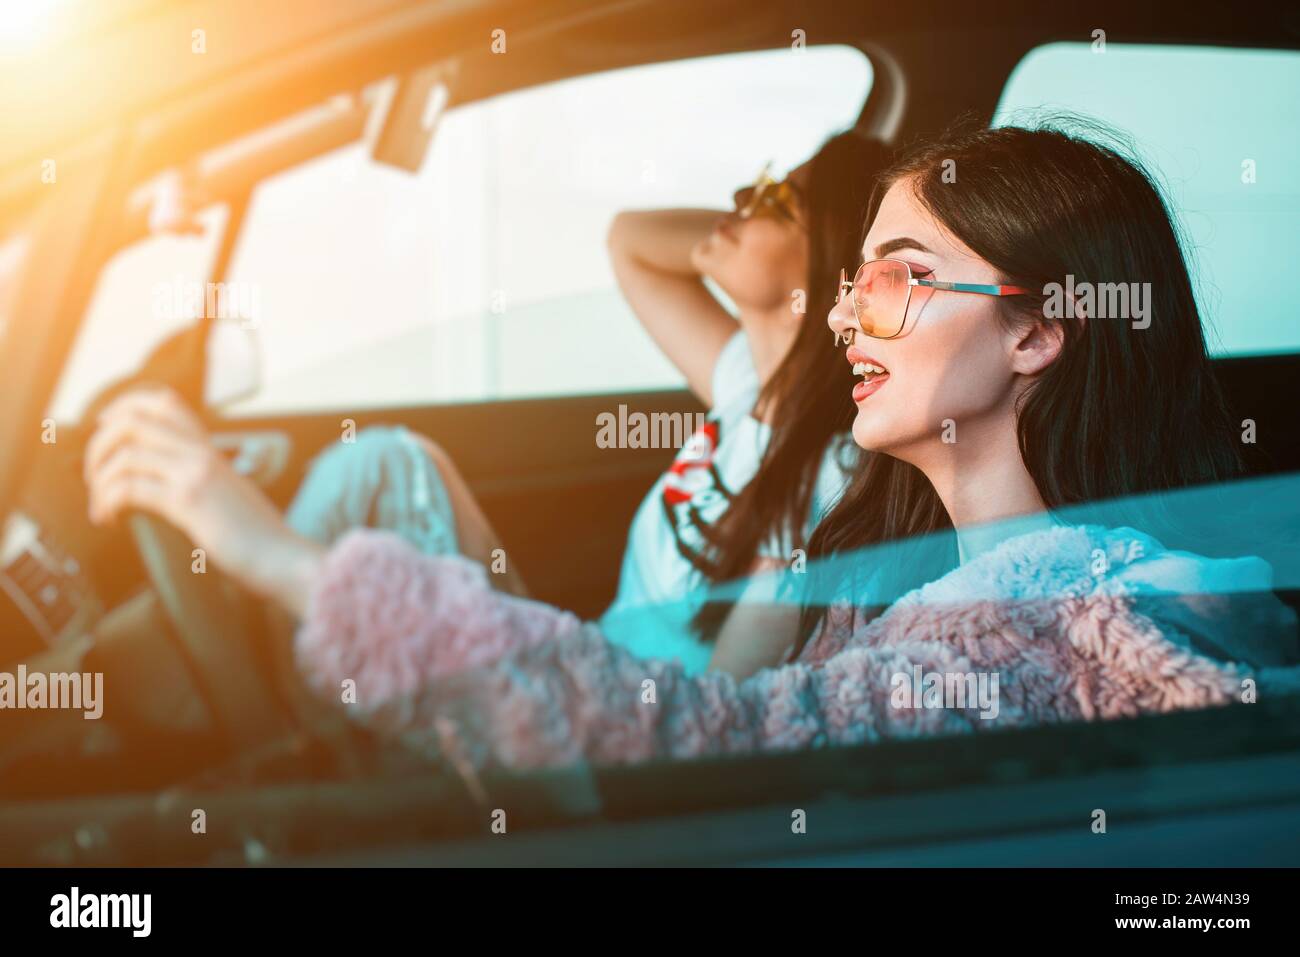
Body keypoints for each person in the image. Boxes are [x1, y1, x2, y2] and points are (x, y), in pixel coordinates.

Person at [83, 123, 1299, 773]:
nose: (844, 317)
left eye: (900, 283)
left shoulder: (1058, 633)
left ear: (1036, 328)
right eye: (849, 281)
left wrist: (288, 564)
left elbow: (702, 749)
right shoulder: (928, 584)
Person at [281, 132, 889, 678]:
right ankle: (289, 707)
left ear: (829, 260)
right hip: (583, 658)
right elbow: (630, 238)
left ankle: (283, 719)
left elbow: (723, 715)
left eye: (780, 200)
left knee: (377, 467)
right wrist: (745, 227)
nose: (741, 199)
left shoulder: (832, 477)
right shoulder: (745, 386)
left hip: (619, 729)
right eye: (759, 185)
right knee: (386, 462)